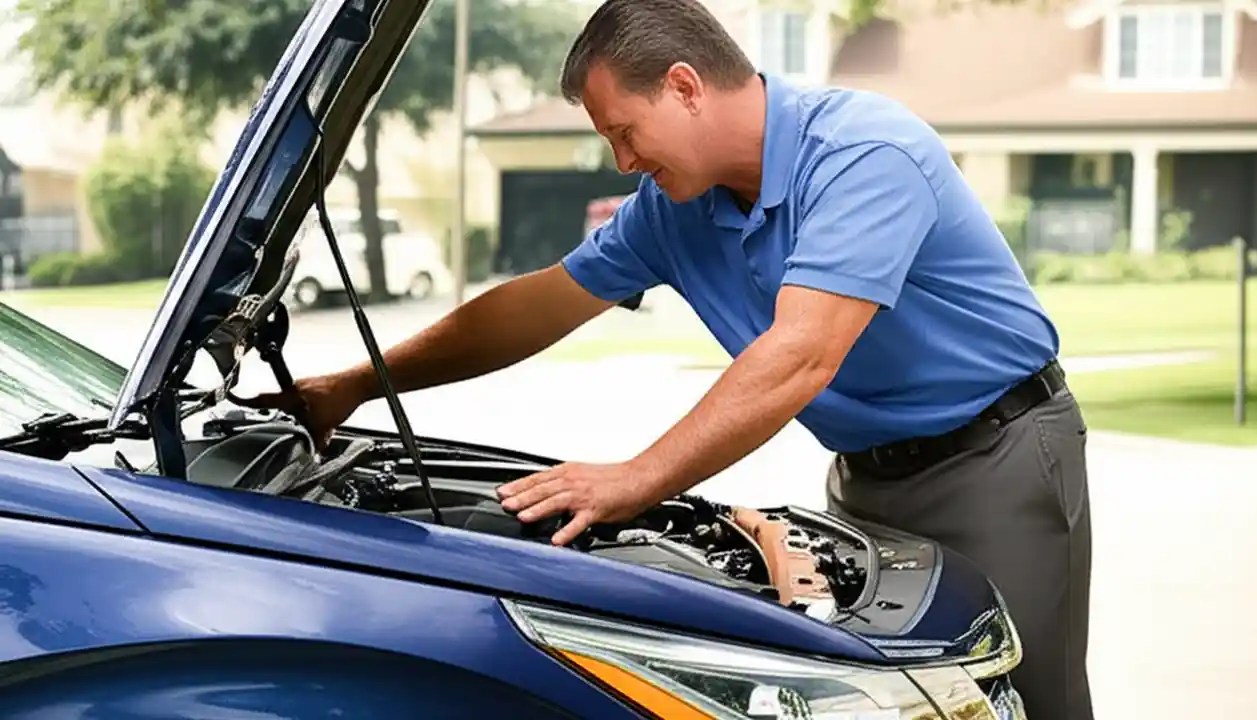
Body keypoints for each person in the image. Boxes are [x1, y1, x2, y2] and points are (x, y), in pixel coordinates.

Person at [246, 1, 1092, 717]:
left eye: (625, 131)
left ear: (684, 86)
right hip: (865, 474)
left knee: (1021, 699)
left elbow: (800, 356)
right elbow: (533, 308)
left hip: (996, 454)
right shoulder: (673, 209)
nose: (623, 160)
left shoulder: (863, 153)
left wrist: (635, 479)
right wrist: (355, 385)